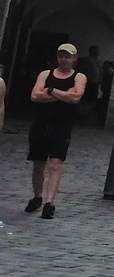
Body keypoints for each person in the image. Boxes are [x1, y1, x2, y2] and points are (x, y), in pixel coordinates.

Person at [26, 44, 87, 218]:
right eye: (61, 56)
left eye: (67, 56)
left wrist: (51, 91)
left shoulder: (79, 77)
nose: (64, 59)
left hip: (62, 125)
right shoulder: (45, 74)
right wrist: (63, 95)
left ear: (74, 59)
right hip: (41, 123)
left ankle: (49, 202)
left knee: (55, 164)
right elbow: (35, 96)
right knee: (38, 165)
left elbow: (75, 97)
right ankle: (37, 197)